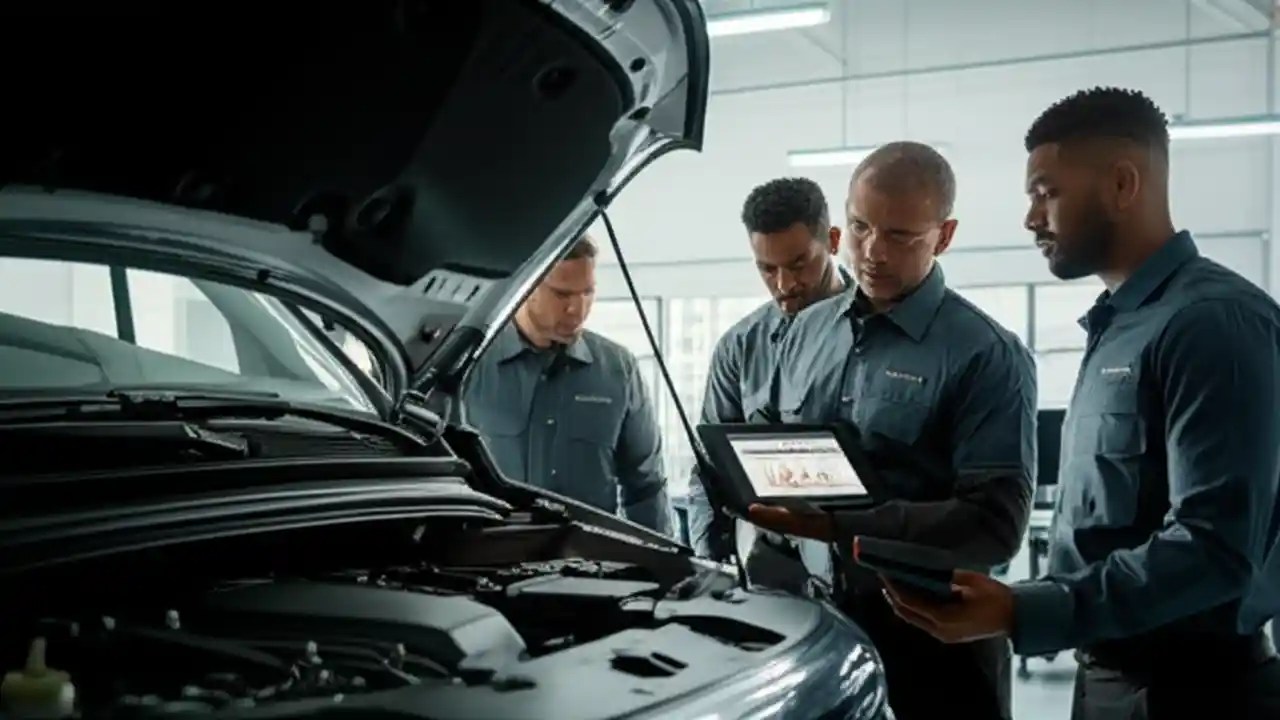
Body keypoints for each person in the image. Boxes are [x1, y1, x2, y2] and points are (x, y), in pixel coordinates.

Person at [880, 87, 1280, 719]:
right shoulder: (1121, 325)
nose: (1031, 219)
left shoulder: (1213, 324)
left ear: (1123, 185)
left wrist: (1024, 610)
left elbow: (1214, 547)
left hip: (1196, 694)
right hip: (1108, 680)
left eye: (1047, 192)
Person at [746, 141, 1037, 720]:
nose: (872, 252)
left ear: (944, 235)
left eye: (900, 236)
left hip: (934, 644)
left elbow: (995, 525)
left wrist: (838, 526)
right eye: (859, 227)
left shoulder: (987, 354)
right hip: (814, 632)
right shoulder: (802, 333)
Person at [685, 177, 849, 559]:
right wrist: (709, 563)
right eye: (767, 269)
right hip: (767, 570)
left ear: (834, 241)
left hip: (861, 568)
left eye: (799, 264)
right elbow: (711, 469)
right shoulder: (738, 348)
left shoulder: (875, 334)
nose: (784, 284)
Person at [462, 235, 671, 535]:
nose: (578, 309)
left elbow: (646, 485)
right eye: (562, 295)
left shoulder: (619, 369)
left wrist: (661, 566)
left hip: (591, 566)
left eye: (588, 292)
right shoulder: (469, 367)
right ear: (525, 285)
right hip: (490, 561)